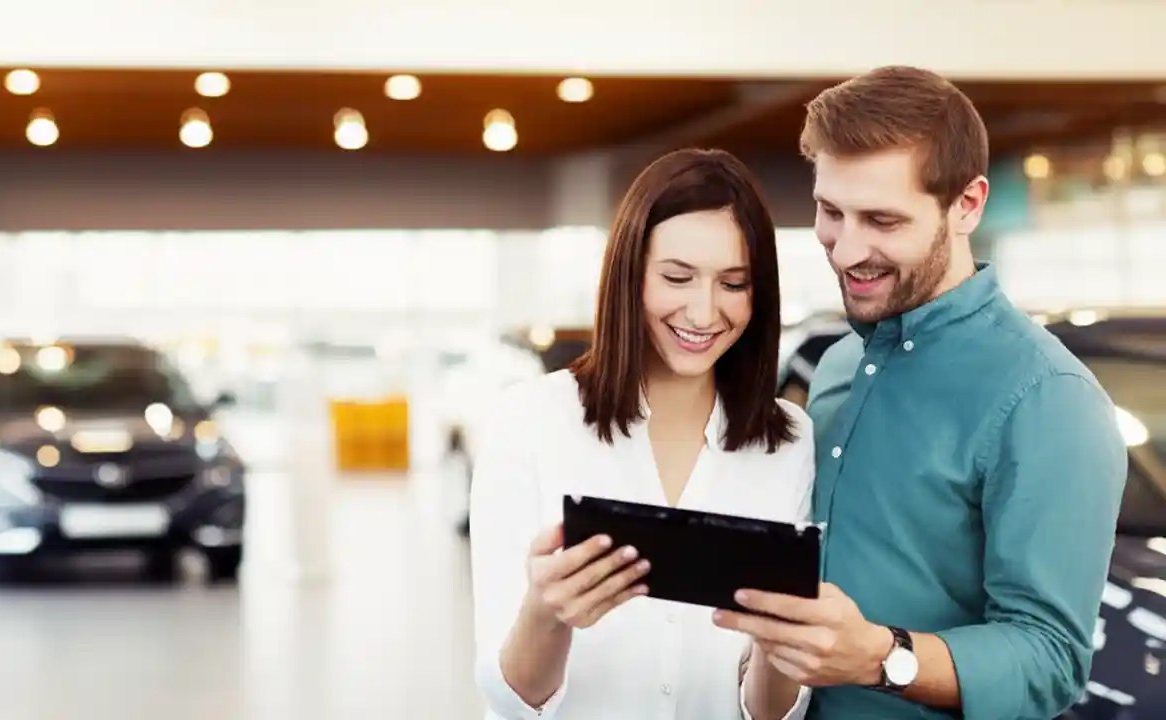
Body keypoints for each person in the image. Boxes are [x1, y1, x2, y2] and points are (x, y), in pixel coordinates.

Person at [712, 65, 1128, 719]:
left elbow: (1050, 661)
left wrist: (879, 656)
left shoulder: (1051, 399)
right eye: (830, 212)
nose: (847, 250)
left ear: (967, 205)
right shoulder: (839, 364)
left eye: (882, 220)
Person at [469, 148, 815, 720]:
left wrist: (778, 637)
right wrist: (546, 613)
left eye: (733, 283)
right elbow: (510, 700)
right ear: (631, 273)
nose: (704, 312)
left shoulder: (788, 440)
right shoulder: (530, 418)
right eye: (678, 277)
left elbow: (771, 714)